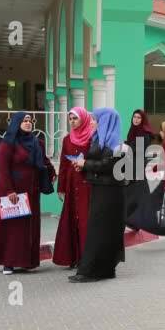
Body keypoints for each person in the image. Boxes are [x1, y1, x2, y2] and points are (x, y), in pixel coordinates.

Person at [0, 112, 56, 275]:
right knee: (12, 228)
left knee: (27, 227)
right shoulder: (7, 144)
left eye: (30, 120)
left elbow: (44, 161)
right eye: (24, 121)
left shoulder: (37, 142)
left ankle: (26, 261)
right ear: (16, 123)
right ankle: (8, 263)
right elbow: (3, 170)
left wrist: (51, 173)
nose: (28, 123)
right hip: (13, 192)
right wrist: (10, 190)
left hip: (31, 191)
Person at [68, 108, 128, 283]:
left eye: (96, 120)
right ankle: (100, 269)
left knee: (103, 230)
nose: (92, 122)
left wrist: (85, 163)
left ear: (106, 122)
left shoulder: (117, 144)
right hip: (100, 189)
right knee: (99, 229)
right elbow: (99, 165)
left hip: (111, 193)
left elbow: (108, 166)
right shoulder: (100, 140)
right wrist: (84, 166)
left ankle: (94, 271)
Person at [52, 107, 96, 269]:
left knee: (85, 220)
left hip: (87, 182)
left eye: (75, 118)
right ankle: (73, 257)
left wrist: (85, 166)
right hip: (72, 183)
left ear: (83, 119)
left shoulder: (92, 138)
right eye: (70, 119)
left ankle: (86, 257)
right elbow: (63, 165)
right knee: (72, 219)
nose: (72, 121)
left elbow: (94, 159)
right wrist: (61, 187)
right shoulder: (66, 139)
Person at [124, 109, 154, 228]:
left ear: (143, 120)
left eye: (138, 118)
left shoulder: (144, 132)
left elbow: (139, 149)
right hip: (132, 166)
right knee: (133, 194)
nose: (135, 120)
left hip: (138, 167)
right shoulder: (134, 130)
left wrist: (126, 147)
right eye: (134, 117)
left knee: (136, 194)